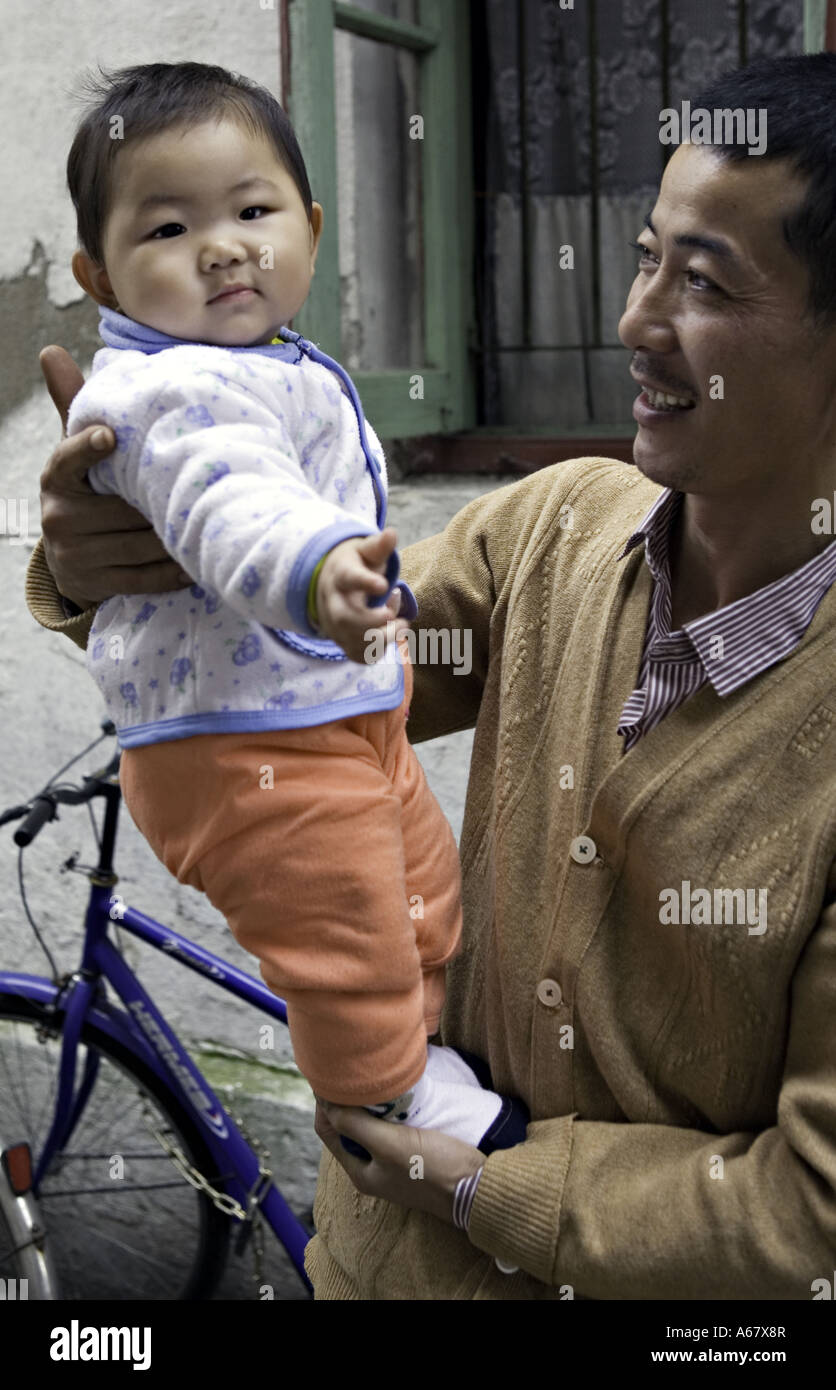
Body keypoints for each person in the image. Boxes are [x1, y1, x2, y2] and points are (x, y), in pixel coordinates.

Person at [27, 52, 836, 1298]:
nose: (632, 319)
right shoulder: (555, 528)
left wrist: (480, 1178)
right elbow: (308, 660)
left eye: (702, 281)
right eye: (640, 256)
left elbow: (809, 1217)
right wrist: (110, 564)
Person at [52, 60, 529, 1161]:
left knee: (420, 896)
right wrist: (319, 571)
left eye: (252, 212)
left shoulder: (268, 365)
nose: (221, 246)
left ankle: (424, 1049)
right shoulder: (171, 390)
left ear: (308, 232)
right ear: (101, 276)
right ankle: (387, 1092)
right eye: (168, 228)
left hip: (334, 720)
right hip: (245, 748)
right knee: (348, 932)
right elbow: (233, 501)